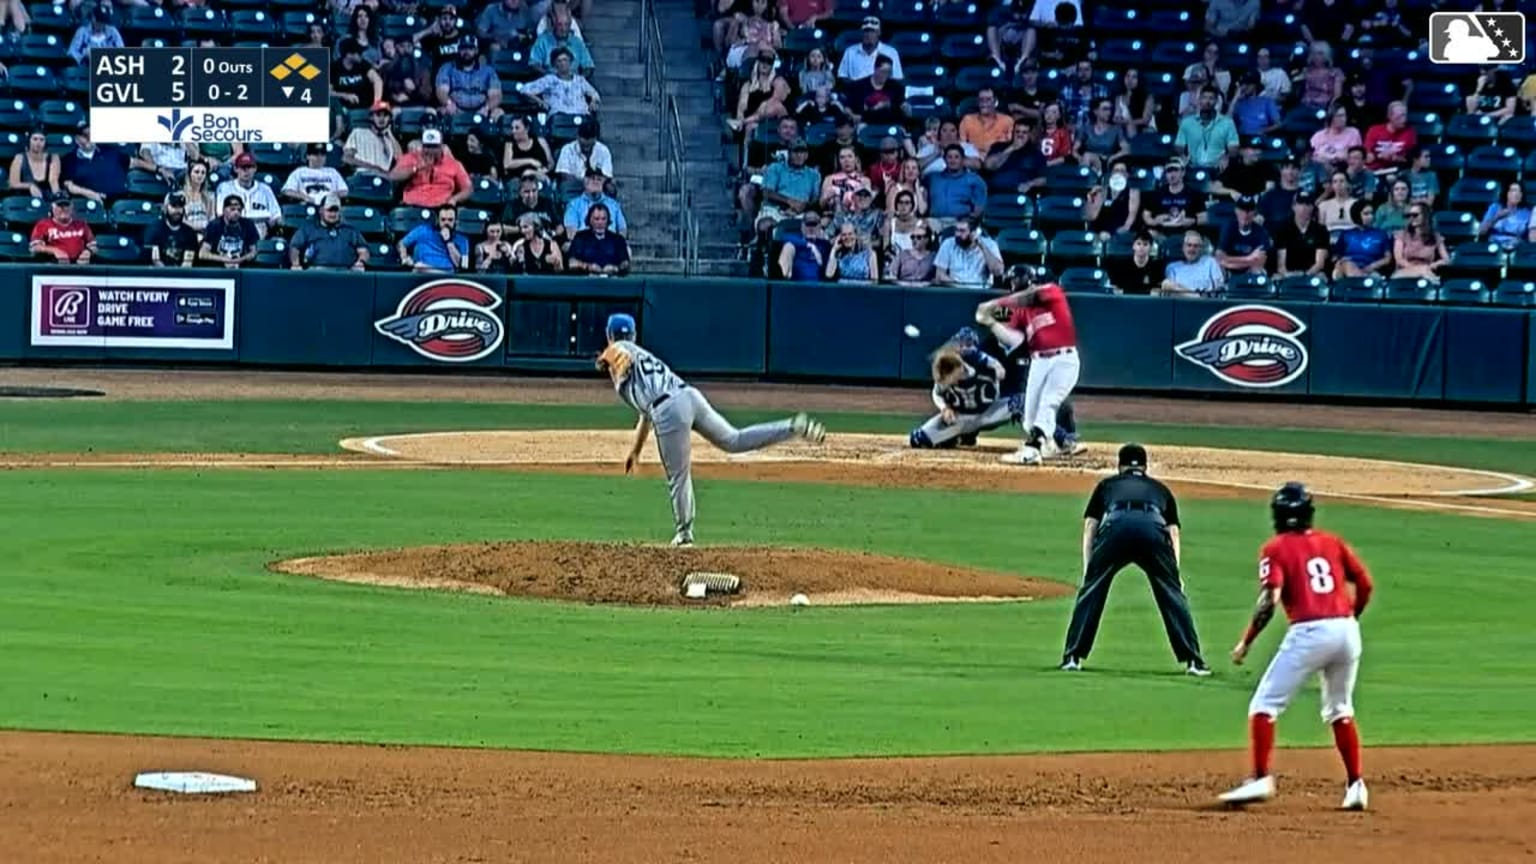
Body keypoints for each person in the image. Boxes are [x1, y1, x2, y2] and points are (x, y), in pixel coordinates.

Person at [595, 312, 826, 547]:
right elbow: (645, 415)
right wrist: (635, 451)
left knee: (678, 476)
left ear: (609, 335)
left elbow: (619, 352)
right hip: (690, 396)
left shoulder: (619, 349)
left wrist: (613, 356)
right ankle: (793, 427)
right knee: (734, 440)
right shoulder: (643, 357)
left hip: (668, 409)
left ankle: (684, 535)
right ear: (634, 334)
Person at [1219, 482, 1374, 811]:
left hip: (1309, 632)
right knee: (1340, 709)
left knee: (1264, 705)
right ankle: (1356, 786)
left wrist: (1246, 641)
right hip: (1346, 630)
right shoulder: (1332, 542)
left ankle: (1261, 777)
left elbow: (1269, 600)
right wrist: (1351, 618)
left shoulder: (1275, 548)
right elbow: (1365, 584)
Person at [1057, 443, 1210, 674]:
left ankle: (1072, 658)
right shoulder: (1161, 489)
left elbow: (1090, 527)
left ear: (1120, 466)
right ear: (1145, 467)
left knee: (1092, 592)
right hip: (1153, 528)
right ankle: (1194, 662)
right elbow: (1174, 533)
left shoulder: (1107, 485)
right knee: (1172, 594)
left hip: (1116, 527)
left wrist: (1090, 571)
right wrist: (1174, 574)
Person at [977, 265, 1080, 465]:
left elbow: (1029, 296)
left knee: (1049, 401)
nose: (1014, 285)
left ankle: (1032, 450)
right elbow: (1012, 336)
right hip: (1039, 361)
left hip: (1063, 359)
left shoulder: (1052, 292)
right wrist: (989, 321)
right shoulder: (1022, 312)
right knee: (1030, 417)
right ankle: (1051, 445)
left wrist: (992, 304)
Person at [908, 327, 1021, 450]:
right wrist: (945, 408)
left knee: (1022, 402)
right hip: (960, 417)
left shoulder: (984, 363)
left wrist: (984, 362)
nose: (965, 348)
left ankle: (1035, 441)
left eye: (968, 344)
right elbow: (937, 393)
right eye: (962, 344)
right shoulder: (947, 369)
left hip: (989, 413)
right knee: (918, 439)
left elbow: (1000, 371)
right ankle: (957, 436)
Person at [289, 194, 370, 270]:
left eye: (336, 211)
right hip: (315, 271)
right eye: (329, 210)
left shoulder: (350, 231)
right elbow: (294, 247)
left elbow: (363, 250)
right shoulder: (308, 229)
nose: (333, 214)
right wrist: (296, 264)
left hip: (345, 272)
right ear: (321, 210)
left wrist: (360, 262)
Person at [29, 194, 95, 264]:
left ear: (71, 208)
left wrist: (88, 252)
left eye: (66, 205)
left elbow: (93, 245)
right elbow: (34, 247)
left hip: (80, 264)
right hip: (54, 264)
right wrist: (54, 250)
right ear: (52, 208)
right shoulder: (43, 225)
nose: (63, 208)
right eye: (59, 205)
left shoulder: (81, 225)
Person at [143, 192, 199, 267]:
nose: (177, 210)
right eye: (174, 206)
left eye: (180, 206)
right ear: (165, 208)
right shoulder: (154, 229)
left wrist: (180, 273)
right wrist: (168, 273)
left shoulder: (189, 233)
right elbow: (155, 260)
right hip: (158, 272)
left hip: (182, 273)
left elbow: (187, 262)